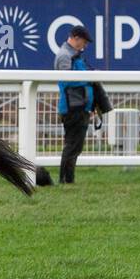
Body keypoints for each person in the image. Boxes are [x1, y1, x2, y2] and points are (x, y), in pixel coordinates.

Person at [55, 25, 97, 185]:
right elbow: (67, 80)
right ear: (76, 38)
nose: (84, 46)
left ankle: (68, 180)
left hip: (79, 107)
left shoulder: (73, 55)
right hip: (72, 108)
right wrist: (89, 78)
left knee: (75, 146)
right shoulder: (65, 55)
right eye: (84, 43)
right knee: (72, 145)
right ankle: (65, 180)